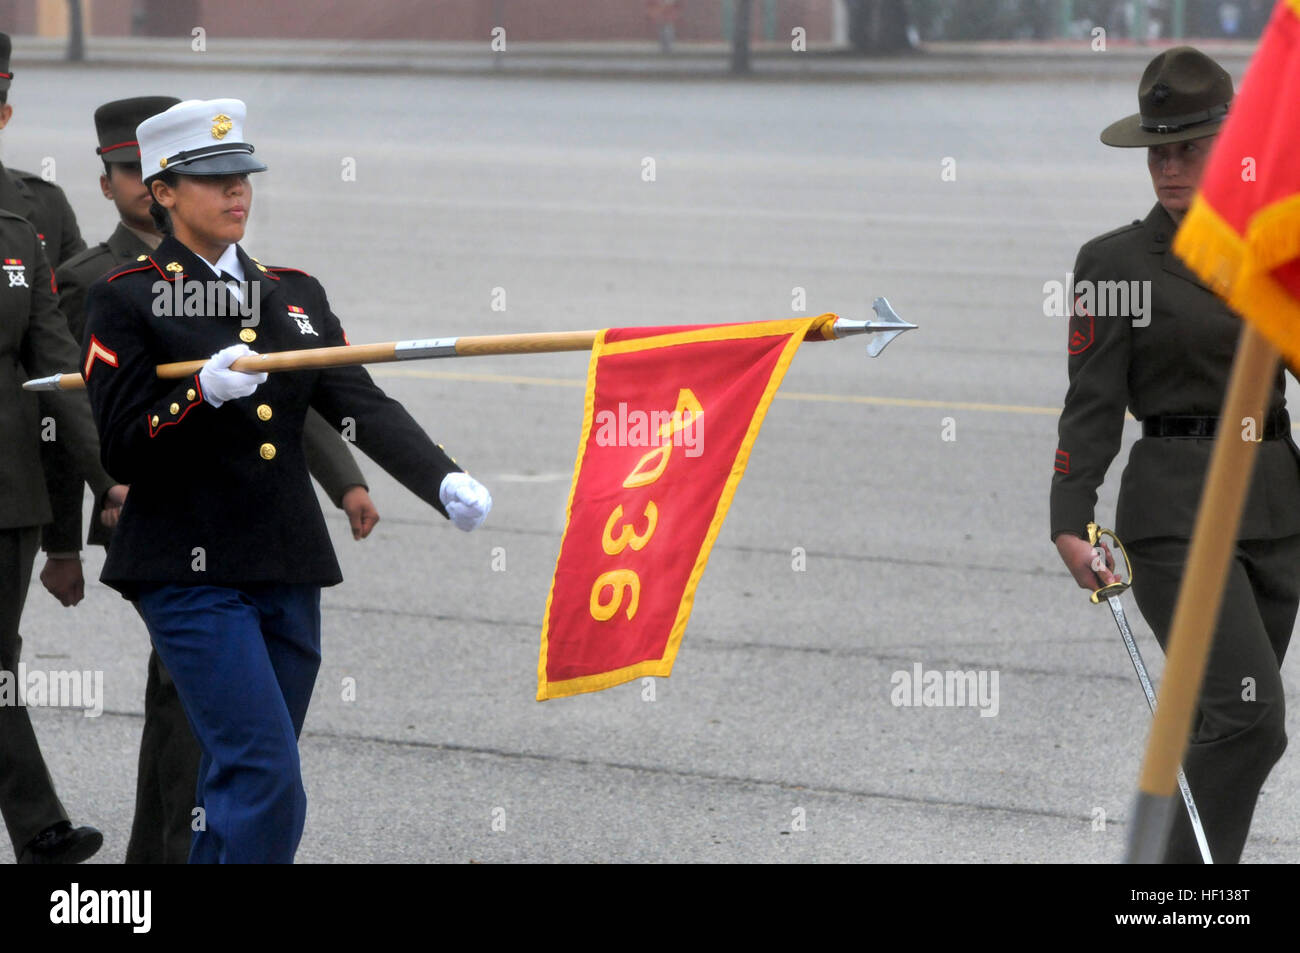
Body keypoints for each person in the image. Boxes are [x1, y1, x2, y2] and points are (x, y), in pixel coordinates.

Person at [82, 98, 492, 863]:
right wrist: (198, 393)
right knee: (264, 772)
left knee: (252, 775)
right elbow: (123, 446)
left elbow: (356, 400)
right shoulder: (127, 296)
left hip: (284, 559)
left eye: (243, 175)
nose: (236, 191)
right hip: (187, 567)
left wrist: (440, 479)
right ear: (164, 192)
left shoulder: (295, 292)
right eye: (212, 179)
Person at [54, 96, 383, 864]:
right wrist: (64, 534)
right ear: (121, 182)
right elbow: (89, 423)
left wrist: (346, 480)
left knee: (235, 754)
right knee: (223, 746)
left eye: (243, 176)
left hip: (267, 547)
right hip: (167, 536)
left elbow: (291, 400)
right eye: (129, 169)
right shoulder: (102, 282)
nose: (237, 191)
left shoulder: (264, 282)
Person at [1050, 47, 1300, 863]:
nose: (1168, 167)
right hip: (1174, 516)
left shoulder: (1274, 250)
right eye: (1157, 150)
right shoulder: (1116, 265)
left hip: (1273, 510)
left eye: (1187, 148)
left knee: (1220, 725)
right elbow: (1091, 405)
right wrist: (1069, 517)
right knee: (1250, 717)